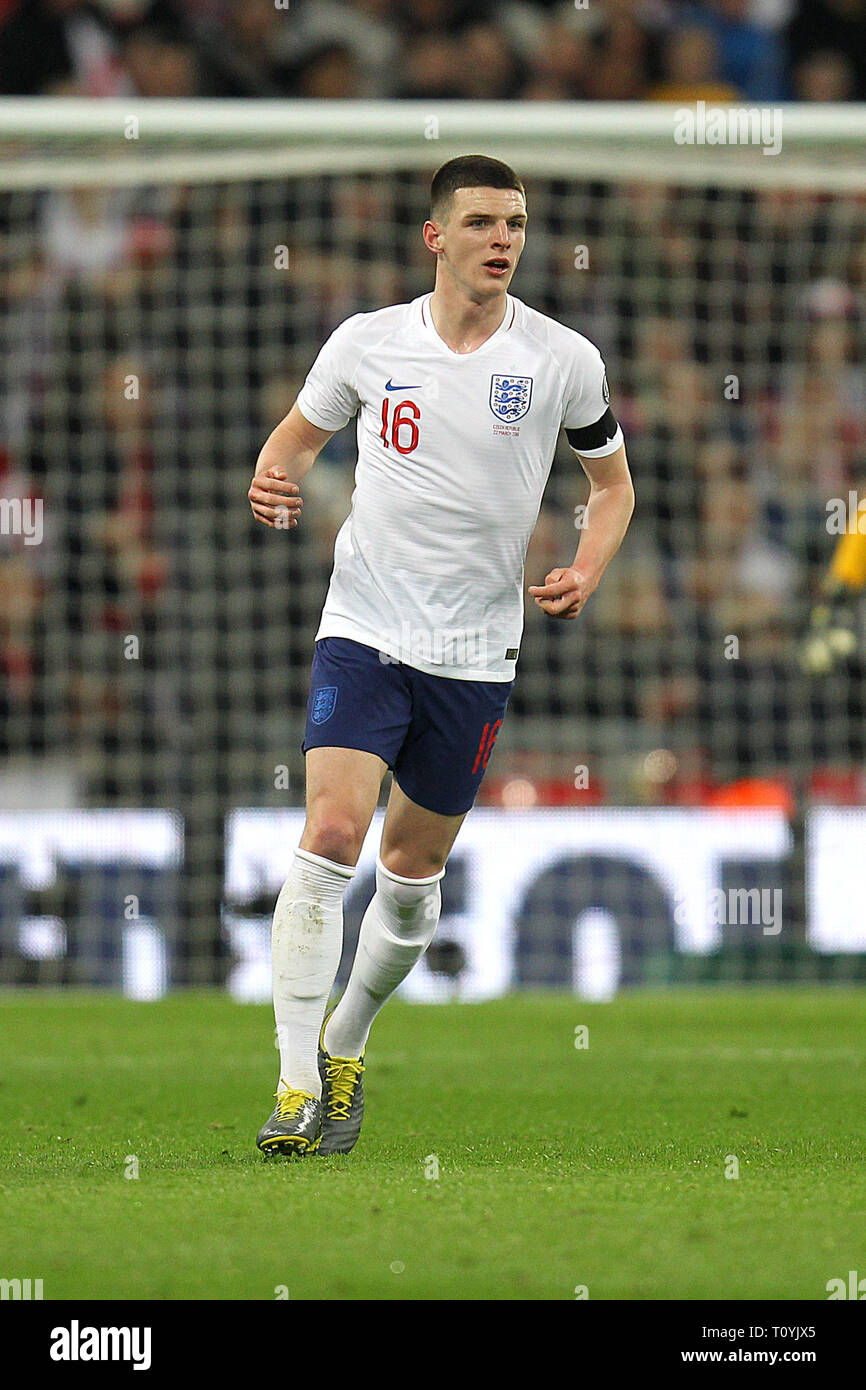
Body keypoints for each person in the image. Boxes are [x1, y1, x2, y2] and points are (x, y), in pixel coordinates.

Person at [247, 154, 634, 1156]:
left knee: (411, 876)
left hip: (474, 652)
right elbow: (292, 442)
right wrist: (273, 478)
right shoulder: (366, 343)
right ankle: (293, 1085)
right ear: (435, 236)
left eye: (515, 224)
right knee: (331, 832)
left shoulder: (562, 360)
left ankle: (345, 1039)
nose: (502, 239)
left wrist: (586, 568)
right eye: (480, 223)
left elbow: (612, 486)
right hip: (365, 629)